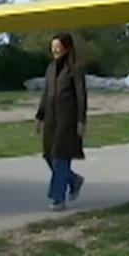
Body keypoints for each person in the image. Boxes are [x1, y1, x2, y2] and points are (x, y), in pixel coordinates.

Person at [34, 32, 87, 210]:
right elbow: (46, 94)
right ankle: (74, 180)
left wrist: (81, 120)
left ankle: (57, 198)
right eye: (52, 47)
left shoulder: (75, 68)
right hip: (50, 119)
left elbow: (81, 96)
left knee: (61, 158)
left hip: (67, 120)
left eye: (57, 47)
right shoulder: (50, 68)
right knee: (49, 156)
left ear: (66, 47)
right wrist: (39, 117)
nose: (54, 50)